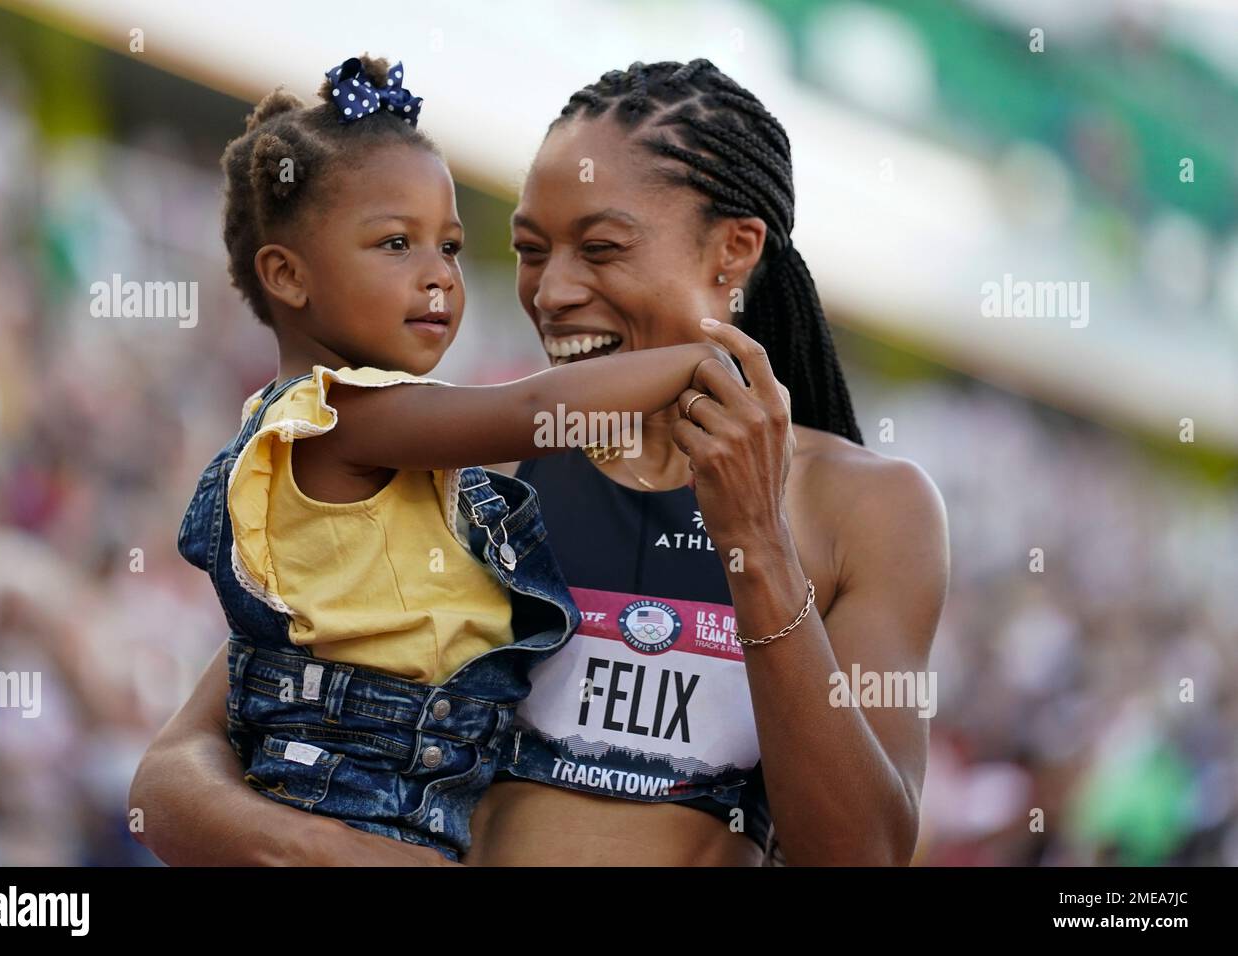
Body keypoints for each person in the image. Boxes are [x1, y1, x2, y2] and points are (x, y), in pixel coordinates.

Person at [132, 58, 950, 867]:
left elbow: (862, 852)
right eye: (529, 250)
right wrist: (324, 848)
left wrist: (757, 545)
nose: (552, 290)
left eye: (599, 248)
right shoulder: (471, 465)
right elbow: (172, 778)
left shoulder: (868, 509)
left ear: (732, 253)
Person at [174, 53, 743, 862]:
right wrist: (698, 360)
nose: (439, 275)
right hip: (350, 785)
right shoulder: (337, 417)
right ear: (287, 276)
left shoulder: (378, 432)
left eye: (449, 245)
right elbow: (532, 411)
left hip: (410, 782)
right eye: (396, 243)